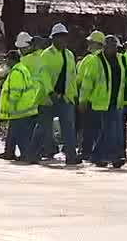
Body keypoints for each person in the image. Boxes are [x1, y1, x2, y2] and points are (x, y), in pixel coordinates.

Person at [81, 34, 127, 168]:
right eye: (109, 46)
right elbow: (87, 81)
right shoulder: (95, 61)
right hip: (101, 102)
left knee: (110, 130)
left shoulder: (122, 60)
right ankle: (113, 156)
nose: (112, 49)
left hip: (116, 101)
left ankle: (98, 156)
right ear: (104, 46)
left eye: (114, 46)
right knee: (110, 130)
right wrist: (83, 100)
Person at [0, 32, 41, 163]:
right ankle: (9, 152)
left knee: (22, 134)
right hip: (28, 106)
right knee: (14, 132)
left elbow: (16, 91)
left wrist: (11, 105)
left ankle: (28, 155)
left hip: (20, 108)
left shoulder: (18, 70)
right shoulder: (24, 66)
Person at [41, 23, 79, 165]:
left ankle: (71, 156)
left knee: (69, 128)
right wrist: (50, 92)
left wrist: (74, 95)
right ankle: (37, 151)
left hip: (66, 97)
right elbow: (43, 75)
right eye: (61, 37)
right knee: (44, 128)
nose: (64, 40)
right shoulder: (46, 55)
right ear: (54, 38)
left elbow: (72, 76)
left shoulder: (70, 55)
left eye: (65, 37)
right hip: (49, 97)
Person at [74, 30, 106, 157]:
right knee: (101, 129)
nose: (88, 44)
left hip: (91, 101)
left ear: (95, 44)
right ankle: (99, 152)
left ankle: (86, 152)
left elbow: (82, 81)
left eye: (90, 42)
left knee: (88, 129)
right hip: (105, 101)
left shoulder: (90, 60)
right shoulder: (110, 59)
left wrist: (82, 100)